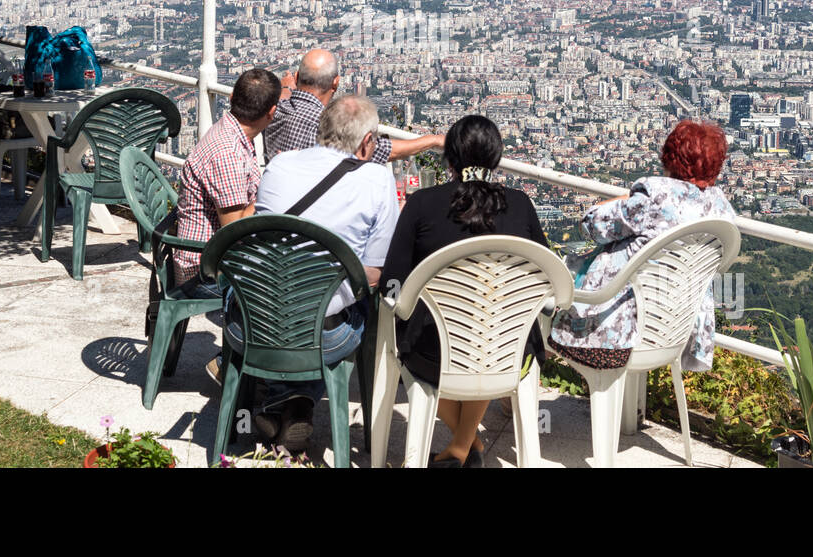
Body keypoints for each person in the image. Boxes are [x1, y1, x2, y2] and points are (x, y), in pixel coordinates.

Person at [378, 114, 549, 467]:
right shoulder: (521, 204)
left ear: (450, 157)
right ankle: (465, 446)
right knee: (482, 334)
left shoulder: (422, 204)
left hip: (433, 353)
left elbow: (392, 282)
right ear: (496, 156)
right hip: (508, 349)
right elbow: (546, 276)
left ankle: (462, 447)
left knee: (406, 338)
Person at [239, 94, 399, 450]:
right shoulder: (378, 181)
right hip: (323, 335)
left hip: (257, 317)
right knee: (347, 307)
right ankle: (297, 403)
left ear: (321, 128)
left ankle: (280, 401)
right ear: (367, 142)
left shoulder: (279, 164)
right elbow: (373, 275)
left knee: (294, 299)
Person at [549, 119, 737, 373]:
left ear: (670, 158)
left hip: (615, 336)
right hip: (675, 331)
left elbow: (590, 226)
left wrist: (625, 200)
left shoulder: (653, 198)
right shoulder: (723, 211)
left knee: (542, 304)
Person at [171, 68, 281, 296]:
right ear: (271, 113)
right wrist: (274, 183)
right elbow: (234, 230)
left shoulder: (230, 132)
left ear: (231, 98)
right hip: (205, 273)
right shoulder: (227, 154)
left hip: (213, 257)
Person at [265, 48, 443, 163]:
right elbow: (387, 150)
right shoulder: (327, 127)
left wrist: (287, 86)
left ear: (297, 77)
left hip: (277, 211)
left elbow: (285, 96)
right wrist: (432, 140)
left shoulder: (274, 109)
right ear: (336, 83)